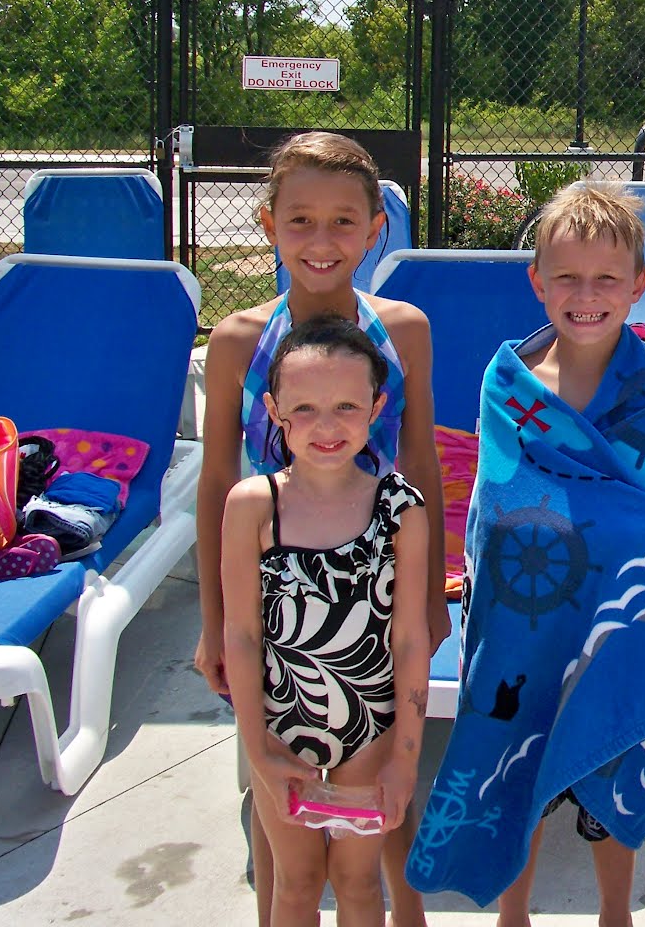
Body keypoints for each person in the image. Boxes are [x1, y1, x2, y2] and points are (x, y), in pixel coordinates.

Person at [405, 183, 645, 919]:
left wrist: (588, 541)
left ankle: (615, 912)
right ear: (536, 281)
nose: (587, 296)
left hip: (621, 627)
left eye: (608, 279)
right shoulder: (506, 381)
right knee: (520, 769)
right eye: (567, 278)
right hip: (522, 623)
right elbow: (497, 508)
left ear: (640, 285)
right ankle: (513, 914)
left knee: (615, 756)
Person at [192, 130, 448, 927]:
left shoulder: (403, 329)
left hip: (374, 607)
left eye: (344, 221)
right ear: (267, 225)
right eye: (300, 221)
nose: (322, 241)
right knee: (276, 800)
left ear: (378, 230)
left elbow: (422, 468)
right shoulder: (239, 339)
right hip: (274, 615)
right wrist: (212, 622)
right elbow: (216, 484)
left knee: (382, 808)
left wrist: (434, 590)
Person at [222, 315, 433, 927]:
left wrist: (405, 758)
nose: (327, 426)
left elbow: (410, 637)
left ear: (377, 406)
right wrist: (257, 745)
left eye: (346, 405)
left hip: (368, 729)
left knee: (358, 881)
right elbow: (241, 634)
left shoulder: (399, 510)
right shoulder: (254, 506)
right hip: (281, 726)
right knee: (295, 883)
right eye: (306, 408)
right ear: (274, 409)